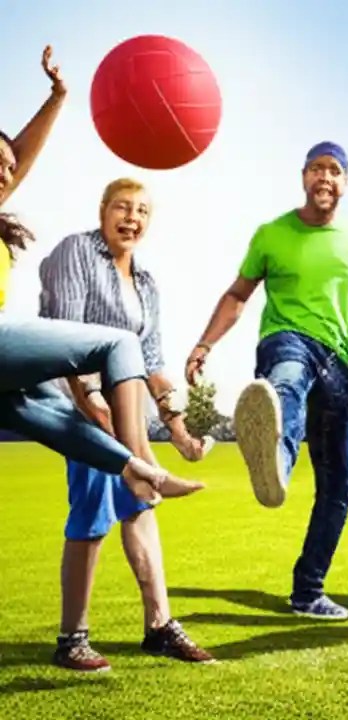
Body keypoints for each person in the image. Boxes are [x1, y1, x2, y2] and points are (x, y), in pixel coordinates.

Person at [185, 142, 348, 621]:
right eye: (317, 168)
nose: (325, 177)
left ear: (346, 183)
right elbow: (238, 295)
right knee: (287, 382)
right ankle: (275, 459)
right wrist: (204, 344)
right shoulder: (271, 234)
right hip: (287, 339)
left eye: (334, 170)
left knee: (340, 486)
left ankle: (307, 592)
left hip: (339, 362)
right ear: (303, 178)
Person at [0, 45, 200, 505]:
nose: (7, 173)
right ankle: (143, 461)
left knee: (55, 416)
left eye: (10, 169)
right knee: (118, 341)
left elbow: (17, 158)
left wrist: (57, 97)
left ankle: (133, 470)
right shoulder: (79, 252)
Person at [38, 178, 215, 671]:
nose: (131, 217)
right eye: (122, 206)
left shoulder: (147, 283)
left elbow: (152, 361)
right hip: (78, 404)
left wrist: (177, 428)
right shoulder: (77, 251)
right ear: (102, 211)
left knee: (140, 505)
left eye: (141, 210)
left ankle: (159, 626)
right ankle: (71, 639)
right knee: (93, 510)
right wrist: (93, 405)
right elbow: (65, 338)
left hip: (126, 409)